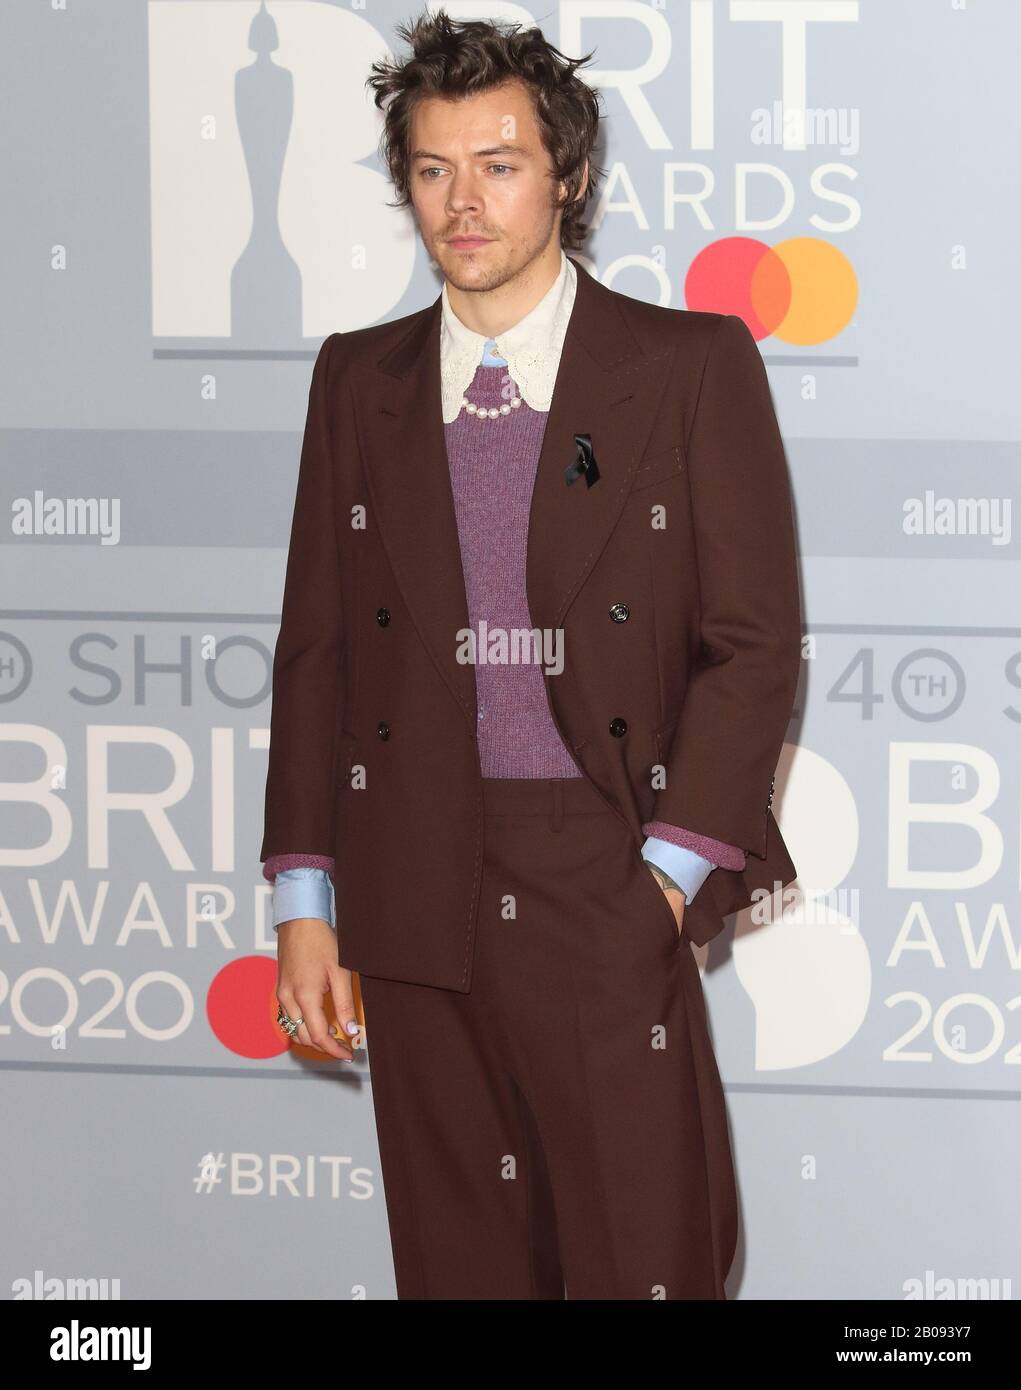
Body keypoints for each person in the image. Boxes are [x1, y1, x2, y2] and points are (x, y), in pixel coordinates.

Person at [260, 10, 802, 1300]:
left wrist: (666, 875)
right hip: (412, 874)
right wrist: (303, 906)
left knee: (643, 1260)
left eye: (498, 163)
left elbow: (754, 643)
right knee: (461, 1270)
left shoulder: (685, 366)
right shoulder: (357, 381)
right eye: (434, 168)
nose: (464, 200)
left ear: (564, 173)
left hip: (601, 864)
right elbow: (317, 653)